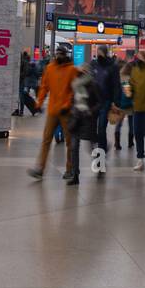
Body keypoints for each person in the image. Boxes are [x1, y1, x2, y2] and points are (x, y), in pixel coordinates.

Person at [29, 47, 79, 180]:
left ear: (65, 55)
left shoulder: (72, 70)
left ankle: (70, 169)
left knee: (69, 142)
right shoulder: (50, 68)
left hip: (66, 111)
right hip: (53, 110)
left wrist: (67, 105)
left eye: (60, 54)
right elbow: (44, 86)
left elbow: (74, 90)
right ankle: (40, 168)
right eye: (56, 53)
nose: (58, 56)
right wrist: (39, 102)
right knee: (46, 140)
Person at [64, 64, 104, 185]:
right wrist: (71, 109)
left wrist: (92, 111)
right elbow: (73, 99)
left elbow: (100, 102)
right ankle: (75, 175)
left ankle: (99, 167)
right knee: (74, 147)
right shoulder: (75, 84)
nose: (80, 72)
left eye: (83, 70)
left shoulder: (93, 85)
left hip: (89, 118)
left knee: (92, 145)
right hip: (77, 118)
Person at [90, 48, 120, 154]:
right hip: (93, 101)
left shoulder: (112, 66)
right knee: (92, 128)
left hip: (106, 101)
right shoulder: (93, 64)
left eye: (100, 52)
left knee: (101, 127)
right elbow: (89, 80)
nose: (99, 54)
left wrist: (116, 102)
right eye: (98, 53)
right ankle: (100, 145)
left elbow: (117, 85)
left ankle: (102, 150)